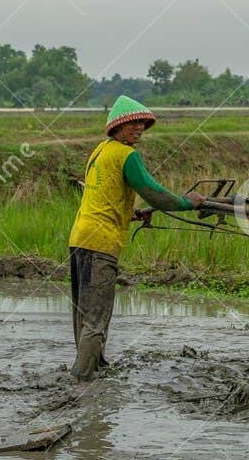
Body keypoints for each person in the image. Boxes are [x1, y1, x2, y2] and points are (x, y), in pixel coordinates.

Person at [67, 96, 204, 379]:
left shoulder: (100, 152)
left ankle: (94, 367)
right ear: (117, 125)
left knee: (84, 314)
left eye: (142, 123)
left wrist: (134, 213)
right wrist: (186, 202)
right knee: (96, 317)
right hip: (101, 244)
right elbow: (152, 190)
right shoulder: (127, 155)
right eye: (133, 122)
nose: (139, 127)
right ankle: (80, 382)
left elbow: (103, 197)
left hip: (80, 238)